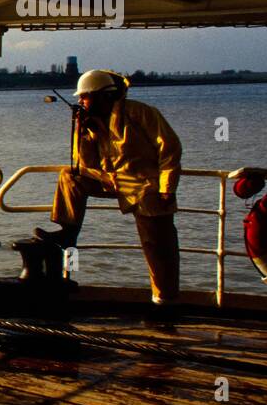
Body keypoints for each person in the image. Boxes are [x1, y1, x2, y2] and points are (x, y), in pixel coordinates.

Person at [34, 70, 182, 307]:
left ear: (103, 96)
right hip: (111, 180)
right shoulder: (91, 123)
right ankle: (67, 231)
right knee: (70, 175)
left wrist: (167, 187)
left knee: (158, 246)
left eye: (84, 97)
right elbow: (84, 165)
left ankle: (164, 301)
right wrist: (81, 132)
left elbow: (170, 148)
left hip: (146, 185)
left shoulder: (140, 113)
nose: (80, 102)